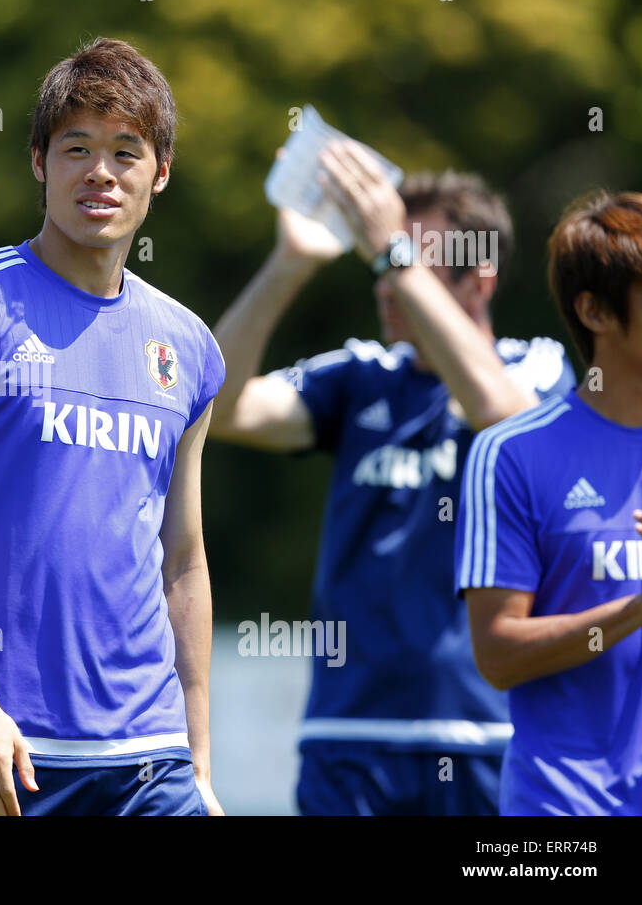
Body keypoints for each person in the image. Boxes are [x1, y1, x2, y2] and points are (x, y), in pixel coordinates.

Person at [0, 38, 226, 816]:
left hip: (149, 762)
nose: (100, 172)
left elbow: (184, 562)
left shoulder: (189, 347)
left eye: (125, 152)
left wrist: (197, 760)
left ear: (160, 172)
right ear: (39, 160)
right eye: (76, 148)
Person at [207, 149, 574, 814]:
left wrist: (389, 249)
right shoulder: (362, 377)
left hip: (488, 736)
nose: (384, 277)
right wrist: (290, 263)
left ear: (479, 283)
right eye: (380, 257)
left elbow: (502, 421)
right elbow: (221, 408)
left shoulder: (537, 369)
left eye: (408, 258)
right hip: (349, 737)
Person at [457, 190, 642, 815]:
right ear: (594, 310)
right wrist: (637, 609)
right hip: (563, 813)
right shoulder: (513, 453)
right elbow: (499, 655)